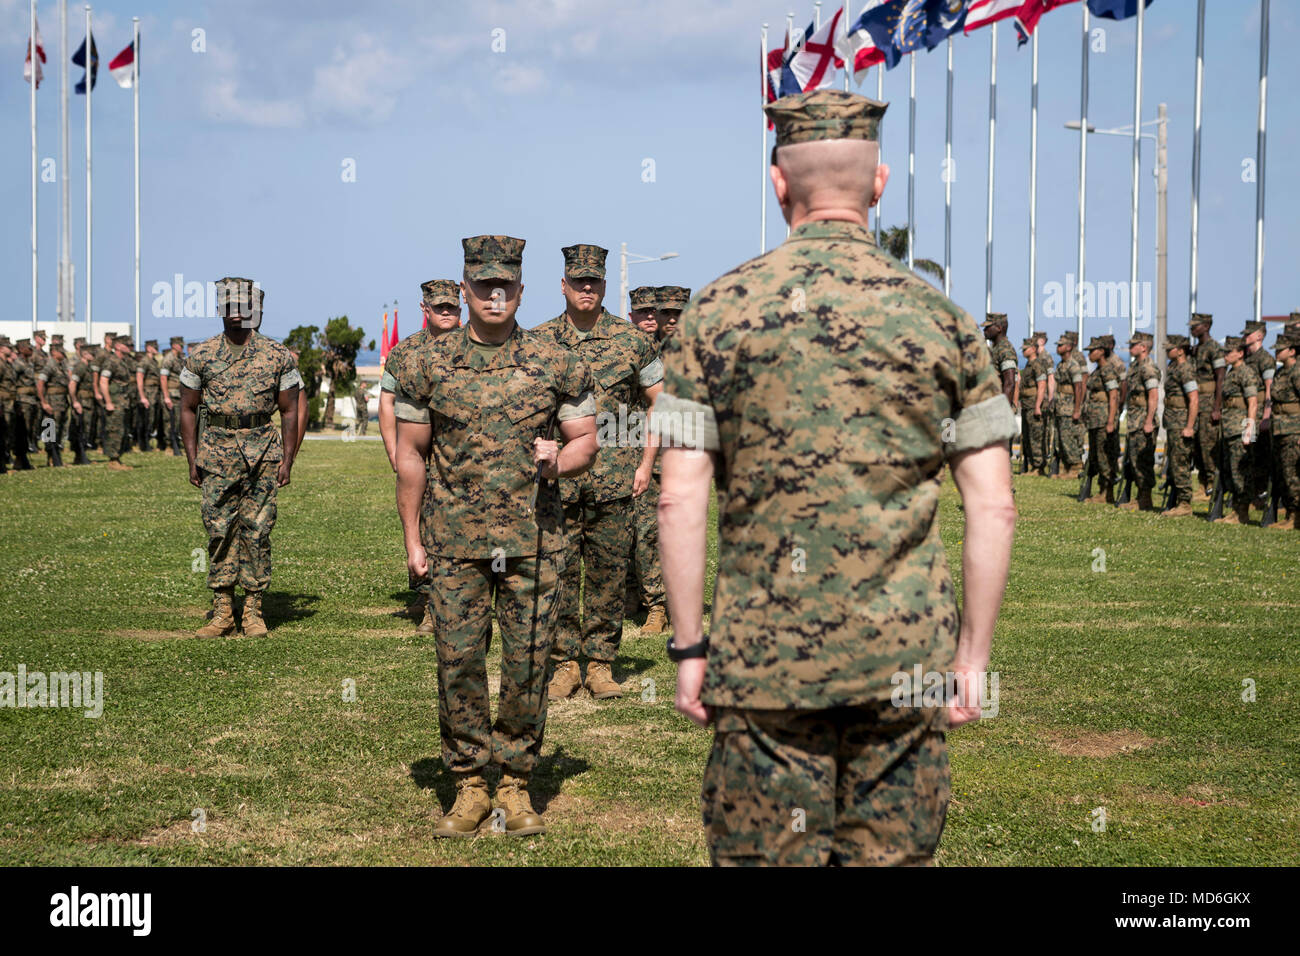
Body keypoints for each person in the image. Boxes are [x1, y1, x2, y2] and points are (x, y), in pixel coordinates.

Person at [657, 89, 1016, 866]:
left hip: (762, 666)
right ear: (878, 183)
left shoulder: (716, 314)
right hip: (906, 665)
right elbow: (995, 506)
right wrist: (972, 662)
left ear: (779, 184)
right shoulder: (944, 320)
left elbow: (678, 491)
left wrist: (690, 649)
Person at [389, 236, 598, 838]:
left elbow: (585, 439)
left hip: (534, 540)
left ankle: (515, 781)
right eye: (482, 285)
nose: (494, 295)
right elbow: (411, 457)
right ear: (466, 289)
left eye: (504, 285)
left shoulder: (555, 361)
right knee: (458, 662)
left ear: (521, 292)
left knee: (529, 662)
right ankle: (470, 784)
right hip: (454, 544)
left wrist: (559, 459)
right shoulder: (426, 363)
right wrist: (413, 539)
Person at [537, 244, 664, 701]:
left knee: (609, 575)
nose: (586, 288)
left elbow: (659, 404)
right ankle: (566, 664)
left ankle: (601, 665)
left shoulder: (633, 341)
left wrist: (646, 464)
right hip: (560, 482)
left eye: (594, 281)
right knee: (560, 573)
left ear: (605, 286)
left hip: (616, 480)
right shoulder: (539, 341)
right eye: (578, 281)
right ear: (564, 285)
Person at [180, 278, 302, 637]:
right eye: (229, 307)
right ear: (220, 309)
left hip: (262, 452)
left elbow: (291, 411)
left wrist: (288, 459)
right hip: (216, 454)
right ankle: (222, 611)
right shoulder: (201, 355)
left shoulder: (277, 355)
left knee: (258, 530)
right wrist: (192, 458)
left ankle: (252, 609)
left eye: (243, 307)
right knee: (219, 531)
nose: (236, 314)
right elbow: (187, 409)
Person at [380, 278, 462, 631]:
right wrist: (394, 452)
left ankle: (450, 597)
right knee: (422, 524)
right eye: (439, 306)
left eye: (452, 306)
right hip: (419, 453)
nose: (446, 312)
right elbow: (387, 403)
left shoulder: (474, 346)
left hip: (461, 455)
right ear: (424, 308)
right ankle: (430, 599)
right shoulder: (406, 352)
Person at [625, 286, 669, 628]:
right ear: (631, 316)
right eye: (642, 312)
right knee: (621, 530)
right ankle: (629, 593)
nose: (649, 318)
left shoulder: (672, 353)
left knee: (649, 531)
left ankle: (656, 604)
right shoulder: (621, 348)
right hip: (620, 449)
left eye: (654, 312)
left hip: (658, 453)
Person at [1213, 337, 1260, 525]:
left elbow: (1253, 403)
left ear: (1240, 353)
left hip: (1240, 428)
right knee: (1230, 471)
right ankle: (1235, 510)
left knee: (1241, 472)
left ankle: (1242, 512)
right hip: (1229, 428)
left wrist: (1249, 428)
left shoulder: (1246, 373)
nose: (1225, 355)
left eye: (1228, 352)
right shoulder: (1232, 372)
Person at [1118, 332, 1160, 511]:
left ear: (1144, 347)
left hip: (1144, 419)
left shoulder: (1148, 368)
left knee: (1143, 461)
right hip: (1135, 419)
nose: (1130, 348)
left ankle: (1145, 498)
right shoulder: (1135, 366)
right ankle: (1139, 496)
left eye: (1134, 345)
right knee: (1134, 460)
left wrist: (1149, 421)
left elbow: (1153, 395)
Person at [1160, 334, 1200, 517]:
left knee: (1180, 462)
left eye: (1171, 348)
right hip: (1173, 420)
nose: (1168, 351)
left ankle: (1185, 503)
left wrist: (1190, 426)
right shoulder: (1173, 367)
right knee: (1175, 462)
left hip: (1182, 421)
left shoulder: (1185, 369)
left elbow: (1193, 399)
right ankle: (1178, 500)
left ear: (1181, 350)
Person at [1081, 335, 1121, 504]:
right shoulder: (1097, 371)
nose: (1089, 354)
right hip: (1094, 419)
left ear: (1101, 352)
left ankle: (1107, 492)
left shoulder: (1108, 371)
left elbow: (1113, 396)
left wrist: (1111, 421)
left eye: (1092, 351)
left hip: (1104, 418)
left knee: (1105, 455)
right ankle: (1102, 490)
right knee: (1096, 455)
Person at [1190, 314, 1225, 502]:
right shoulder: (1196, 349)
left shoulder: (1214, 348)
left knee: (1208, 445)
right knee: (1196, 446)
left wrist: (1217, 406)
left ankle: (1212, 484)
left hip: (1209, 402)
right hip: (1196, 404)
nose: (1192, 329)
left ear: (1206, 326)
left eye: (1196, 326)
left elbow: (1220, 377)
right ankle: (1203, 484)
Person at [1268, 333, 1299, 530]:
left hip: (1294, 429)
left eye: (1281, 349)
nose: (1277, 352)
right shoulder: (1280, 373)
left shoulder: (1297, 372)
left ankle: (1297, 516)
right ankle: (1289, 514)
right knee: (1282, 473)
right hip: (1279, 428)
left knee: (1292, 473)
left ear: (1293, 351)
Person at [1052, 331, 1086, 479]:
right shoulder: (1061, 365)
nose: (1058, 348)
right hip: (1060, 407)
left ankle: (1075, 467)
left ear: (1068, 347)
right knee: (1060, 439)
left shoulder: (1074, 365)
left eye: (1060, 345)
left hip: (1069, 407)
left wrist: (1077, 409)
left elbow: (1078, 387)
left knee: (1069, 438)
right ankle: (1064, 467)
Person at [99, 335, 136, 470]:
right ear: (119, 346)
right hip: (115, 401)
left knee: (122, 430)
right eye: (127, 344)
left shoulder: (123, 361)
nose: (130, 347)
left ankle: (118, 458)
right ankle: (113, 460)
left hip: (123, 401)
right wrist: (108, 402)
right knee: (114, 430)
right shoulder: (111, 361)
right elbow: (103, 381)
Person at [36, 338, 70, 467]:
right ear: (54, 352)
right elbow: (40, 383)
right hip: (52, 402)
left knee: (60, 429)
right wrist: (44, 402)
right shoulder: (49, 366)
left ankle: (57, 457)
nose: (63, 354)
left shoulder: (60, 365)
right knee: (50, 429)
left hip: (62, 402)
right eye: (61, 352)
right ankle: (51, 456)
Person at [1017, 337, 1047, 475]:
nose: (1023, 350)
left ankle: (1038, 466)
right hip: (1026, 405)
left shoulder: (1037, 365)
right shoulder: (1029, 365)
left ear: (1033, 349)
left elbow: (1041, 386)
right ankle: (1032, 465)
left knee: (1036, 437)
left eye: (1026, 348)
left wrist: (1037, 406)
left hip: (1033, 405)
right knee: (1028, 437)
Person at [67, 342, 96, 465]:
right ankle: (79, 455)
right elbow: (72, 384)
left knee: (85, 429)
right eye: (92, 353)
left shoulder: (87, 367)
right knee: (80, 429)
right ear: (85, 354)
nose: (94, 355)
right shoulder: (80, 367)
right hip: (82, 402)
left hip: (88, 402)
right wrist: (75, 401)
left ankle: (81, 456)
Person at [983, 314, 1018, 410]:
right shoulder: (996, 348)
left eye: (988, 327)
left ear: (999, 328)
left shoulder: (1005, 349)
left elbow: (1010, 383)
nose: (984, 330)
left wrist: (1002, 412)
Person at [158, 337, 186, 455]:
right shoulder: (168, 359)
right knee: (169, 420)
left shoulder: (179, 358)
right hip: (170, 393)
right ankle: (169, 445)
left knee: (178, 420)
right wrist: (166, 396)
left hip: (178, 394)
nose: (182, 347)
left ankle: (177, 443)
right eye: (180, 345)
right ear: (174, 345)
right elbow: (163, 378)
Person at [136, 340, 165, 452]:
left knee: (153, 418)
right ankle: (144, 444)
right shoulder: (144, 361)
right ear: (148, 348)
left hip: (154, 393)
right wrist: (142, 396)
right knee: (146, 419)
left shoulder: (153, 361)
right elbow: (139, 380)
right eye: (154, 347)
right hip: (147, 393)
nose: (156, 348)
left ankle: (148, 443)